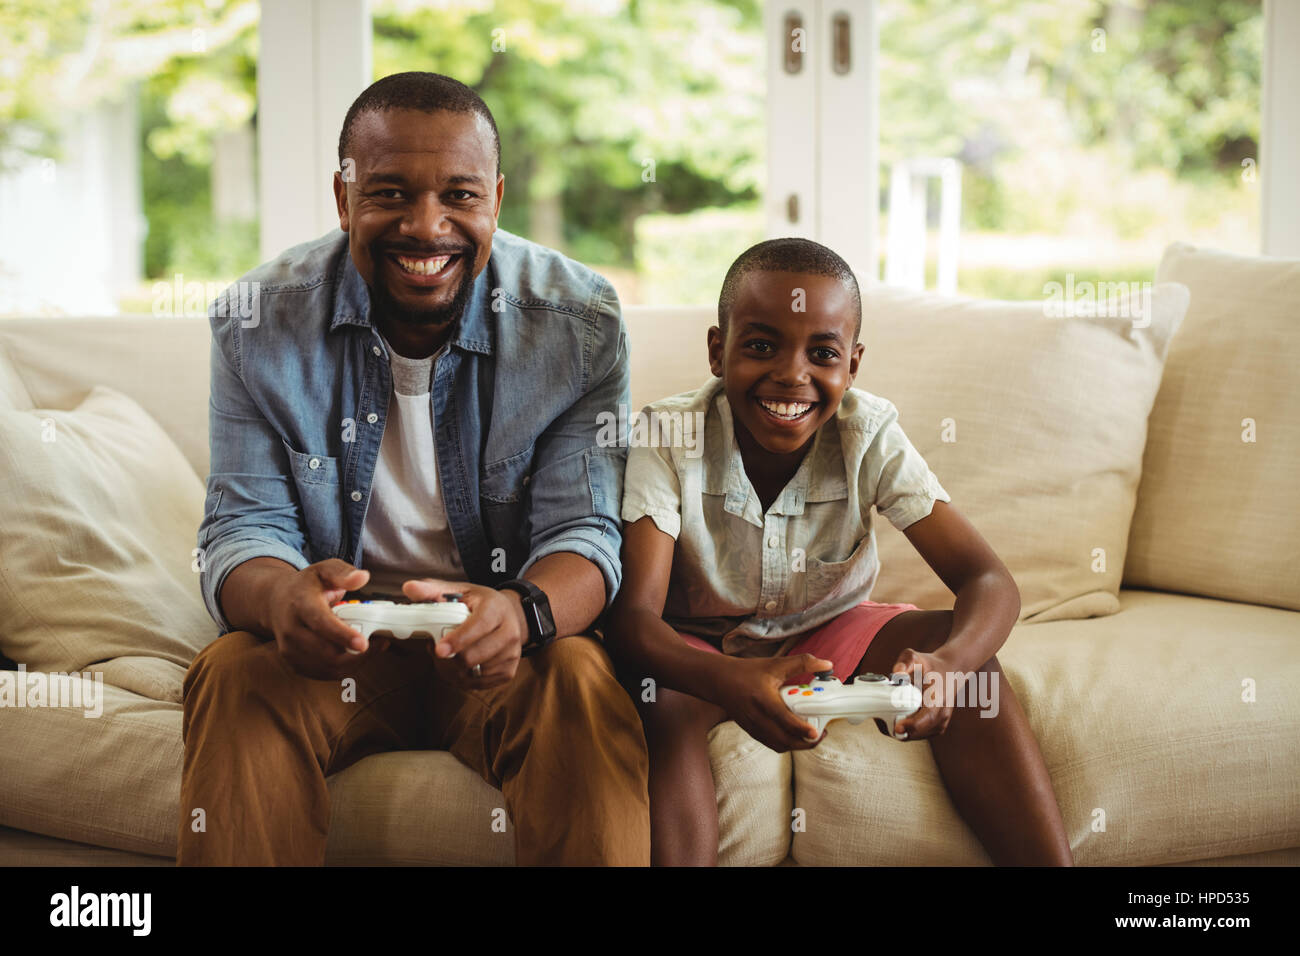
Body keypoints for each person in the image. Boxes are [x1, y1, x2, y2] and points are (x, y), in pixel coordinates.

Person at [179, 72, 650, 866]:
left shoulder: (578, 325)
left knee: (577, 670)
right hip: (341, 650)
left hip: (505, 649)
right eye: (390, 193)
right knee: (234, 670)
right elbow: (240, 528)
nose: (426, 227)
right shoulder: (255, 322)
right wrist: (281, 597)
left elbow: (587, 531)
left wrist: (526, 613)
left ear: (495, 199)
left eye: (460, 197)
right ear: (344, 197)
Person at [608, 237, 1074, 866]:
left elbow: (985, 578)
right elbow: (636, 620)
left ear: (851, 367)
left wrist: (951, 665)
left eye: (821, 354)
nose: (791, 375)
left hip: (832, 629)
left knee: (970, 669)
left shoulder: (868, 431)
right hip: (700, 642)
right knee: (658, 702)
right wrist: (730, 679)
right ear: (718, 351)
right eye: (761, 345)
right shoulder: (669, 433)